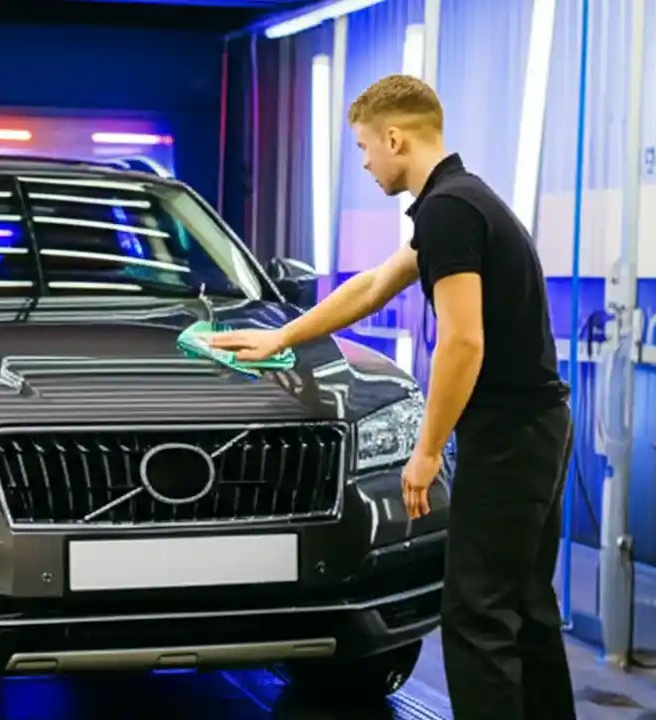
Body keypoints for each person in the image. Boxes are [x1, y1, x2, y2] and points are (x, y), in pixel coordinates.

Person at [208, 74, 576, 719]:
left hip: (509, 434)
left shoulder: (450, 211)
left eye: (364, 147)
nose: (366, 161)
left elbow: (463, 343)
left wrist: (427, 450)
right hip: (536, 427)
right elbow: (375, 284)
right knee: (523, 608)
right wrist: (281, 338)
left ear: (395, 137)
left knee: (477, 614)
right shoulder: (460, 201)